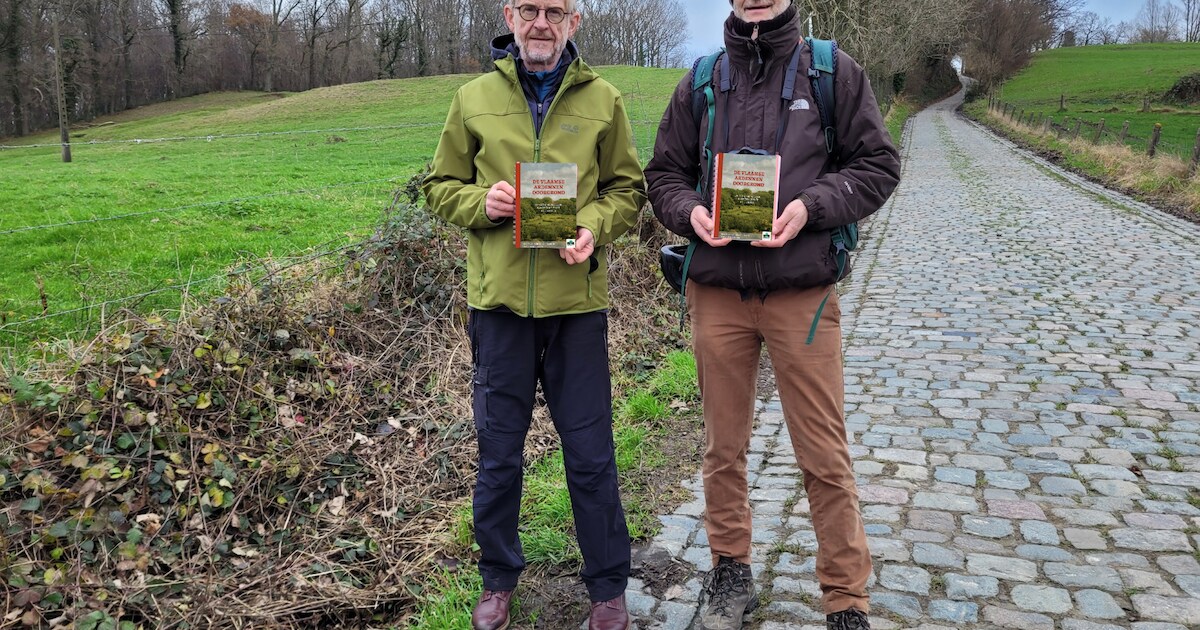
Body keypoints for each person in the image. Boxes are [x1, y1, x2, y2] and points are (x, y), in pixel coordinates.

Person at [644, 1, 900, 629]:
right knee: (721, 449)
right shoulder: (702, 80)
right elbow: (663, 175)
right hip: (717, 295)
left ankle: (845, 600)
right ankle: (730, 572)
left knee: (823, 455)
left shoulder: (831, 71)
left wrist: (811, 207)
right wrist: (689, 214)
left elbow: (879, 166)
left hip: (802, 297)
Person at [422, 1, 645, 629]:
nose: (541, 22)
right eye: (529, 9)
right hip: (497, 307)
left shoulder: (604, 99)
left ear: (574, 22)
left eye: (555, 10)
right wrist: (482, 202)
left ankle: (607, 588)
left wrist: (593, 228)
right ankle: (497, 579)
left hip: (577, 306)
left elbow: (627, 191)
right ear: (509, 16)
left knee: (591, 453)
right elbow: (439, 185)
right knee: (498, 452)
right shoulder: (472, 98)